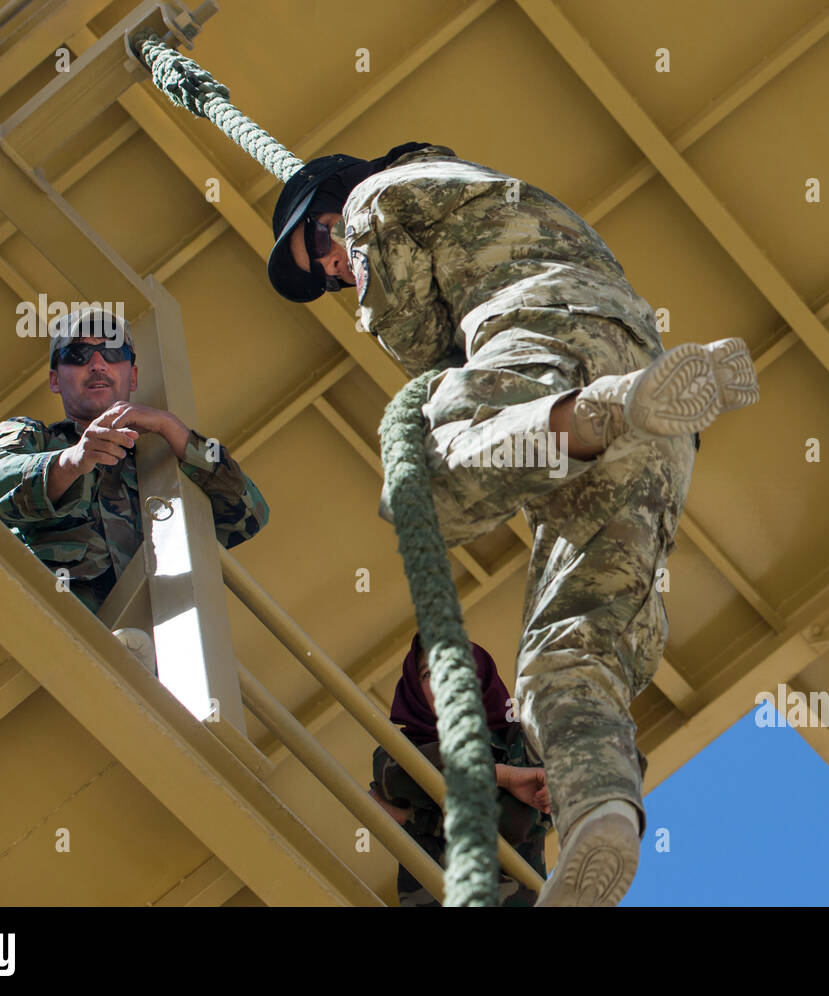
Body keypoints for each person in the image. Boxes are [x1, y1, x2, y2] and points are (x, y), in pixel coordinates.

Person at [267, 142, 758, 906]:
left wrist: (390, 305)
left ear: (342, 199)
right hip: (637, 394)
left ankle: (603, 413)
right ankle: (601, 811)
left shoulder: (380, 196)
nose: (331, 267)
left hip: (541, 337)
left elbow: (411, 330)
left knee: (422, 490)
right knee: (569, 655)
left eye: (322, 243)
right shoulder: (500, 193)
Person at [0, 309, 270, 624]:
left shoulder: (166, 461)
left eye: (113, 351)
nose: (97, 364)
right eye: (78, 354)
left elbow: (251, 516)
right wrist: (73, 461)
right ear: (55, 380)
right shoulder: (32, 437)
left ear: (134, 375)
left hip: (162, 650)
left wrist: (170, 427)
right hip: (58, 633)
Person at [369, 634, 552, 907]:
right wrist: (502, 776)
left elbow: (519, 822)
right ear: (416, 690)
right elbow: (393, 779)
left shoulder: (520, 739)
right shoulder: (399, 747)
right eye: (429, 673)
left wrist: (414, 817)